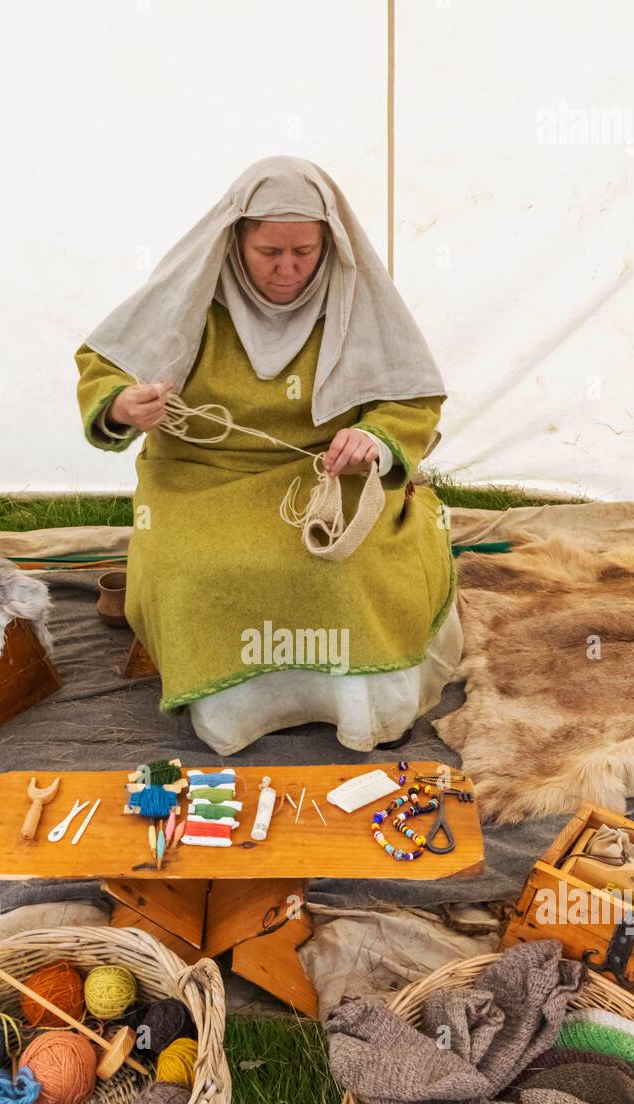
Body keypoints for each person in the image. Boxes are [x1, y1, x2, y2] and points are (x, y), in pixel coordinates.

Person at [75, 155, 460, 754]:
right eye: (269, 253)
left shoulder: (358, 300)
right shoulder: (190, 299)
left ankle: (362, 712)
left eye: (303, 252)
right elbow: (106, 371)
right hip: (200, 478)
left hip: (326, 475)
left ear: (329, 243)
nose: (287, 269)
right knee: (202, 570)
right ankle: (240, 715)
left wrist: (377, 439)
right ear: (235, 242)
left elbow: (412, 403)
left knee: (348, 567)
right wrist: (123, 406)